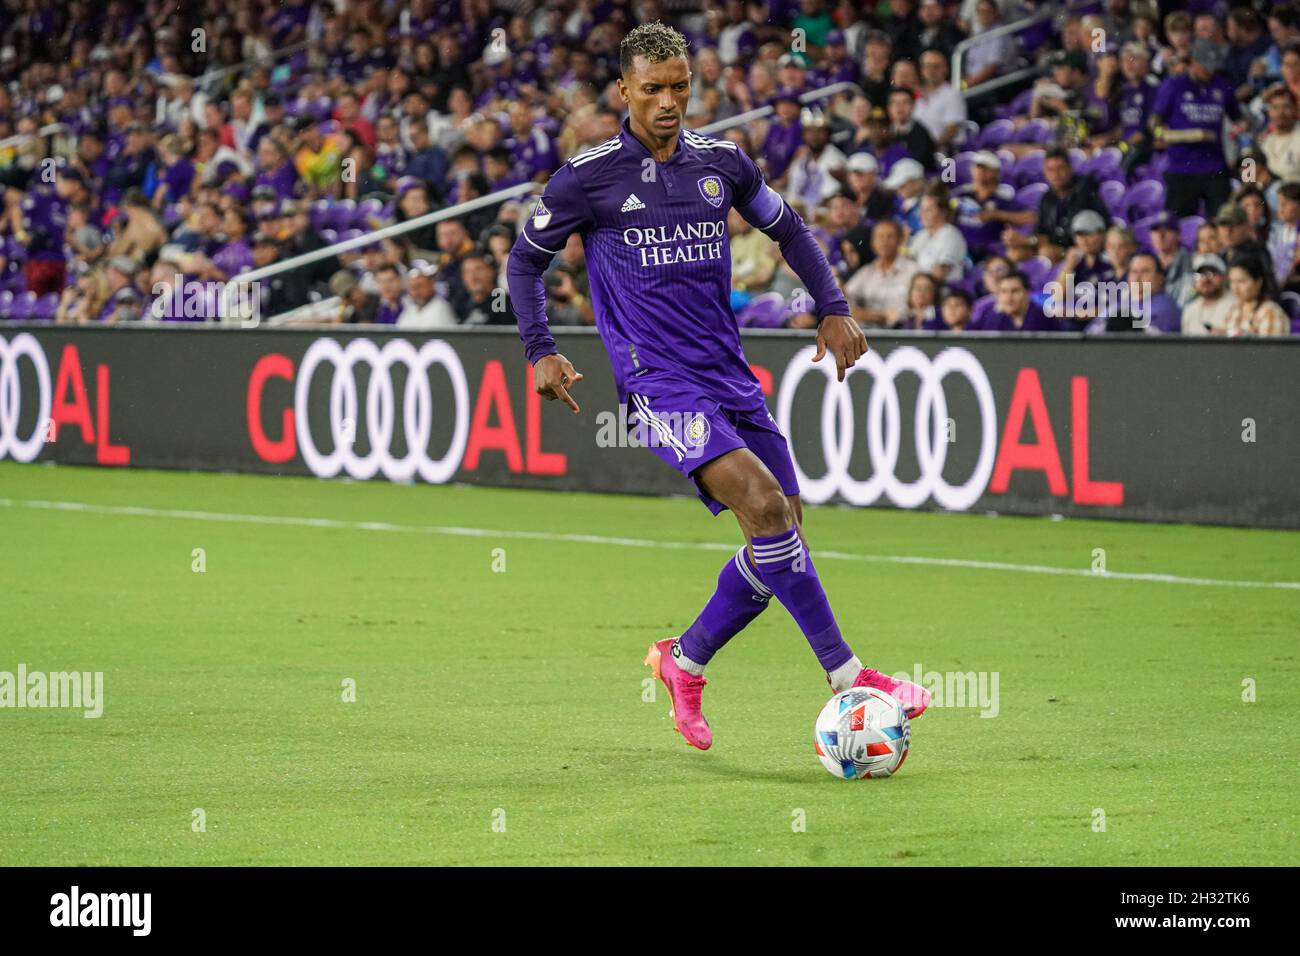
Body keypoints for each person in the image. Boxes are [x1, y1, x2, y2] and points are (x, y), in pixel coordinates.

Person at [506, 23, 930, 751]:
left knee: (783, 532)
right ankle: (851, 677)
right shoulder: (589, 177)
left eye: (680, 87)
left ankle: (685, 660)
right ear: (624, 93)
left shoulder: (722, 163)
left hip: (729, 375)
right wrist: (541, 350)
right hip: (658, 385)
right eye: (652, 89)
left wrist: (832, 308)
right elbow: (523, 263)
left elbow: (790, 230)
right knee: (766, 506)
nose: (669, 101)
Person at [1224, 256, 1291, 336]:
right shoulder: (1234, 310)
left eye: (1241, 281)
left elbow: (1271, 347)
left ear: (1258, 282)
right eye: (1232, 281)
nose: (1235, 288)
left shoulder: (1270, 312)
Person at [1181, 254, 1237, 336]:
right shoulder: (1189, 310)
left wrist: (1227, 334)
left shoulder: (1236, 305)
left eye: (1212, 273)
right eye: (1200, 274)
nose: (1206, 279)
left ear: (1224, 277)